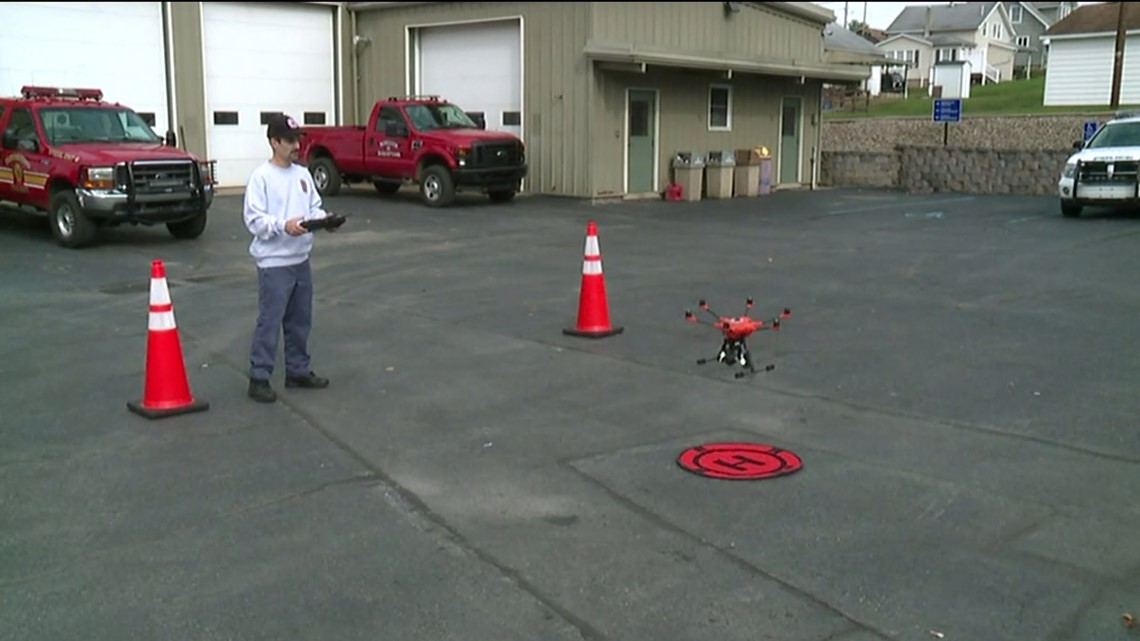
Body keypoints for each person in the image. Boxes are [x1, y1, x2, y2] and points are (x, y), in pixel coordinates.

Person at [243, 113, 340, 403]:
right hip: (274, 263)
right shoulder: (261, 177)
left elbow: (313, 207)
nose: (296, 145)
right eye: (289, 140)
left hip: (300, 260)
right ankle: (259, 377)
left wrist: (325, 220)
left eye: (297, 139)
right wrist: (282, 225)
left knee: (300, 321)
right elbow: (254, 219)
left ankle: (297, 370)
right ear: (274, 142)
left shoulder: (302, 175)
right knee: (270, 321)